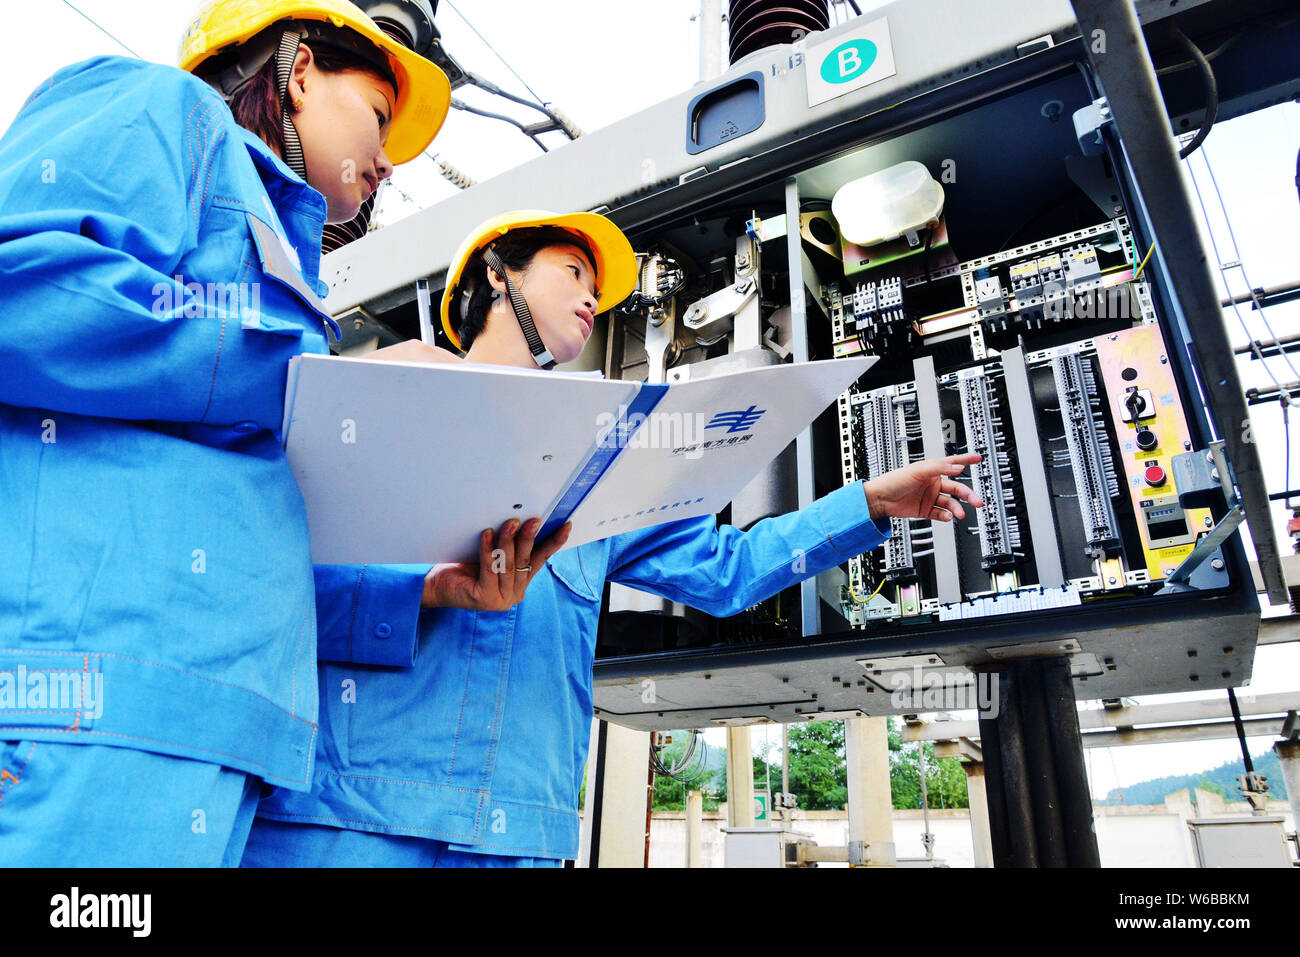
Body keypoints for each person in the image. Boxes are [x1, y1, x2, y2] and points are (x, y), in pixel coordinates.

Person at [242, 210, 985, 867]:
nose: (593, 296)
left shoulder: (603, 463)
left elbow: (729, 572)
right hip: (347, 822)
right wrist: (431, 589)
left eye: (598, 285)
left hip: (521, 835)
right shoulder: (384, 401)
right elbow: (269, 586)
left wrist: (870, 504)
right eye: (573, 271)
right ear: (498, 278)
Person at [0, 0, 459, 866]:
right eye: (378, 114)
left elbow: (250, 538)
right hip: (95, 711)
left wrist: (421, 593)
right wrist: (305, 374)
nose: (390, 160)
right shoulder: (156, 109)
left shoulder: (286, 268)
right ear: (299, 68)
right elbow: (18, 291)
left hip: (221, 737)